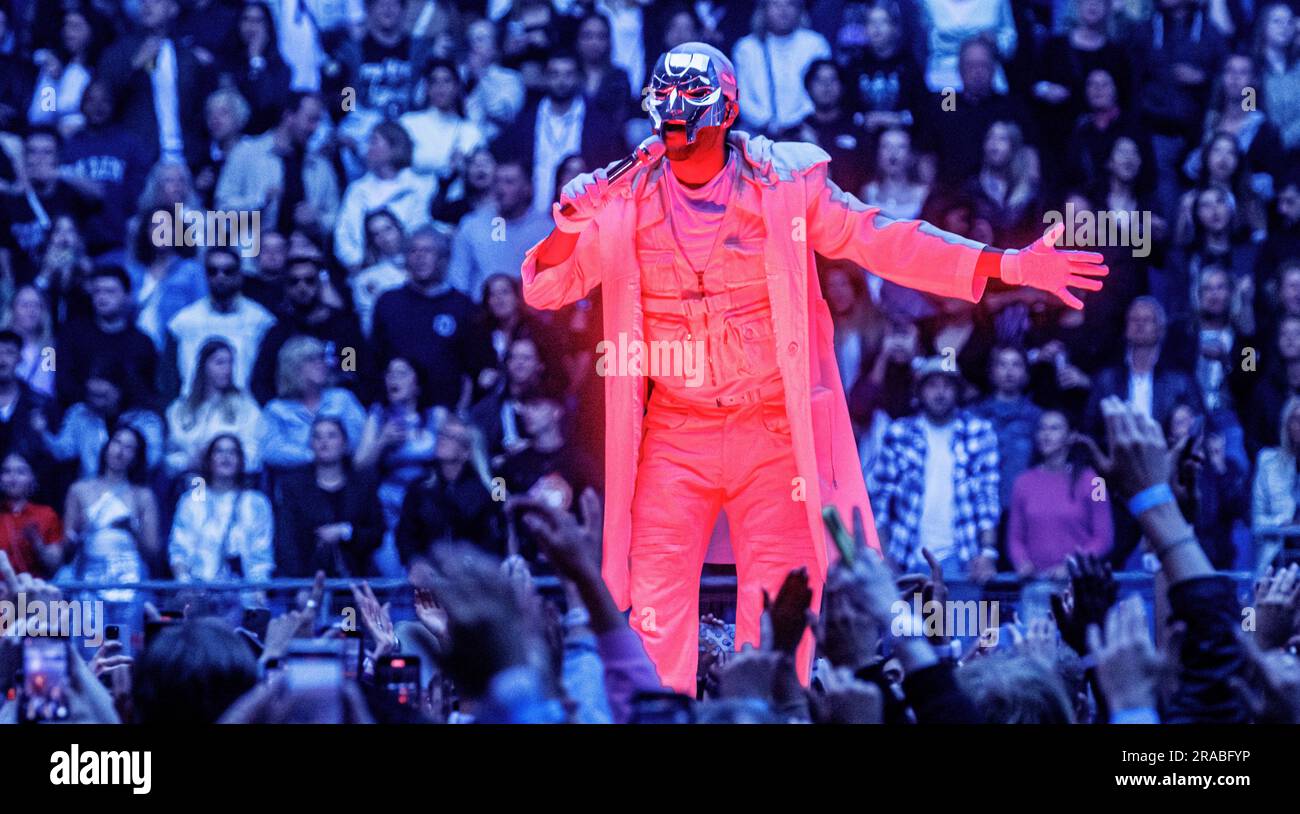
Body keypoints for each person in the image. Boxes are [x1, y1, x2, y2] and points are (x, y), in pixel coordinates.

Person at [523, 41, 1107, 693]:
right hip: (675, 431)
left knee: (781, 619)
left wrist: (1005, 265)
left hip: (771, 429)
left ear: (725, 107)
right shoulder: (623, 198)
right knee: (657, 615)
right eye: (665, 98)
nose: (675, 112)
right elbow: (547, 288)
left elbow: (886, 239)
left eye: (691, 98)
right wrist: (569, 225)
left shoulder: (783, 186)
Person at [869, 358, 1001, 578]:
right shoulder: (899, 433)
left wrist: (987, 553)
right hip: (905, 556)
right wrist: (883, 555)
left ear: (958, 392)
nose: (940, 393)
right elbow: (880, 500)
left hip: (962, 557)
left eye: (947, 386)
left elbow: (987, 496)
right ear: (919, 392)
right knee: (907, 614)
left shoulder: (979, 432)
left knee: (959, 614)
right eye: (932, 385)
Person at [371, 224, 494, 412]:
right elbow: (371, 358)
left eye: (428, 251)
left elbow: (480, 368)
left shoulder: (465, 307)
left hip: (448, 415)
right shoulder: (387, 303)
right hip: (397, 414)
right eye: (413, 251)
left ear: (443, 259)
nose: (420, 257)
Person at [354, 356, 441, 574]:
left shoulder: (435, 416)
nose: (393, 379)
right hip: (390, 505)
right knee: (394, 568)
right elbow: (359, 466)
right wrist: (382, 442)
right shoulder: (378, 415)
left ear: (417, 383)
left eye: (401, 373)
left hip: (426, 504)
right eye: (390, 374)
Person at [160, 245, 276, 403]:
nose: (220, 277)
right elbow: (169, 381)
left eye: (228, 271)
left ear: (240, 274)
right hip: (191, 413)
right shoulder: (182, 322)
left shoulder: (261, 321)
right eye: (212, 271)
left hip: (246, 412)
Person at [1006, 410, 1112, 578]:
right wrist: (1022, 563)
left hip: (1079, 584)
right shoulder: (1022, 483)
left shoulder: (1096, 482)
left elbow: (1104, 539)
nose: (1046, 434)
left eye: (1054, 429)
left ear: (1071, 436)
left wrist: (1072, 565)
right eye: (1042, 429)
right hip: (1036, 585)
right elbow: (1015, 538)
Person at [273, 416, 383, 577]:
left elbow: (376, 532)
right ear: (311, 444)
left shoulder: (363, 484)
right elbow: (287, 539)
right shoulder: (293, 486)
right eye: (317, 436)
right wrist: (299, 586)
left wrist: (346, 532)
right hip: (309, 576)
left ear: (344, 443)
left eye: (331, 436)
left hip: (357, 575)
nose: (324, 442)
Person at [60, 426, 160, 597]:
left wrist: (132, 530)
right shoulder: (79, 490)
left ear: (136, 457)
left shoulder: (143, 496)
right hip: (88, 579)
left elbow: (153, 552)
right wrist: (78, 533)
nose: (120, 451)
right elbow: (66, 550)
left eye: (129, 448)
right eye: (117, 442)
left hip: (130, 580)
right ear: (107, 446)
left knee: (127, 625)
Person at [169, 434, 274, 585]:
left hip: (244, 592)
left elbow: (262, 554)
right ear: (209, 459)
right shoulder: (192, 500)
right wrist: (185, 584)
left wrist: (258, 591)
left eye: (232, 452)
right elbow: (179, 550)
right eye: (219, 451)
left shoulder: (256, 502)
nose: (226, 457)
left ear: (241, 460)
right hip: (198, 591)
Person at [396, 414, 503, 563]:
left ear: (466, 452)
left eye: (450, 437)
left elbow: (497, 535)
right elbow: (406, 534)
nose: (442, 439)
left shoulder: (491, 488)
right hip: (430, 573)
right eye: (441, 434)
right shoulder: (419, 488)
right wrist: (414, 562)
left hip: (474, 574)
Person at [258, 336, 366, 472]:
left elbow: (360, 439)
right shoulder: (276, 409)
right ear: (292, 368)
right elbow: (270, 452)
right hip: (295, 482)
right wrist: (316, 455)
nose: (320, 364)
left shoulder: (342, 398)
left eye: (321, 358)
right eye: (311, 360)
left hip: (342, 476)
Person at [164, 338, 263, 477]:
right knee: (196, 493)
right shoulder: (180, 409)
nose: (227, 370)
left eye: (230, 363)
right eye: (220, 363)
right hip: (194, 478)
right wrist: (188, 462)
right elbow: (169, 456)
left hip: (233, 481)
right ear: (204, 365)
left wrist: (218, 462)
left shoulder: (245, 407)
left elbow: (254, 455)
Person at [0, 452, 63, 577]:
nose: (13, 478)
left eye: (21, 472)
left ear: (33, 478)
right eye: (6, 472)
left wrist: (37, 543)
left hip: (32, 591)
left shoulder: (46, 515)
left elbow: (55, 566)